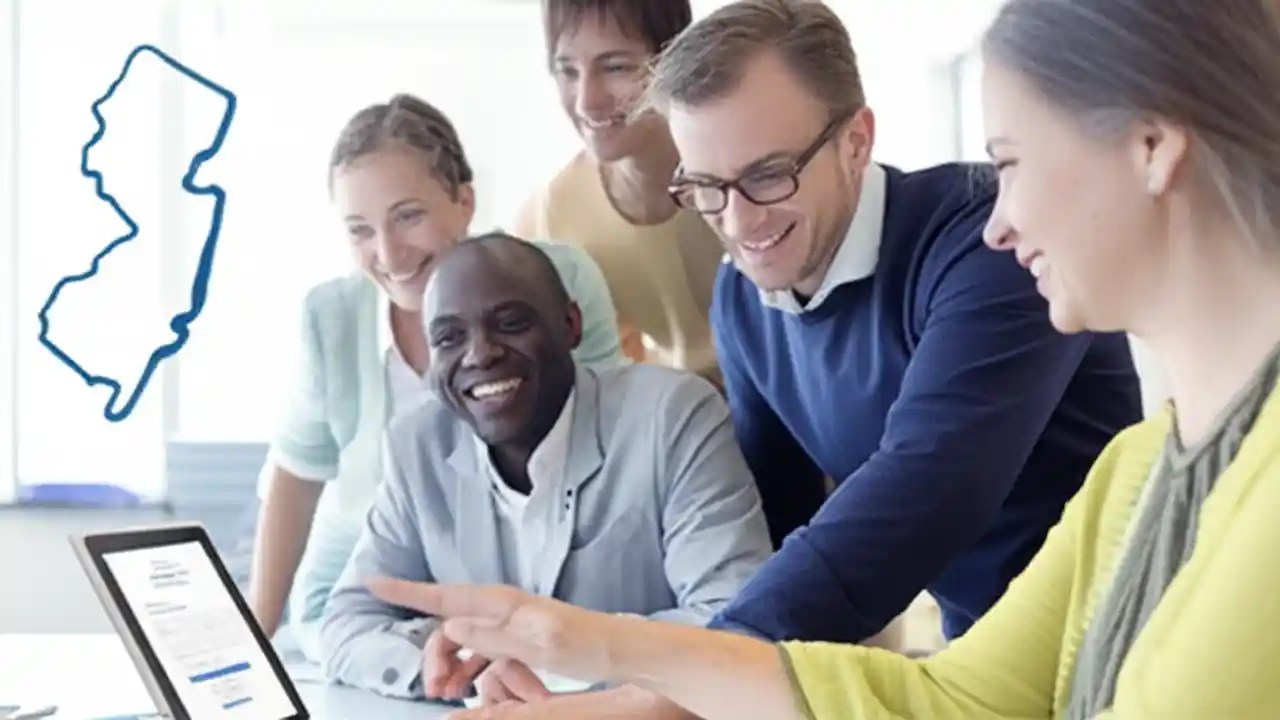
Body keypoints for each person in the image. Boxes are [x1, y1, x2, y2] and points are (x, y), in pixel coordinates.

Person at [368, 0, 1280, 716]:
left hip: (1051, 639)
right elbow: (770, 528)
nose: (738, 222)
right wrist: (601, 648)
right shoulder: (1135, 472)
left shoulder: (973, 249)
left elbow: (917, 497)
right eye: (707, 189)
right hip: (1002, 656)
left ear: (856, 141)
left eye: (767, 176)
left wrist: (652, 684)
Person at [247, 93, 628, 662]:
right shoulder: (329, 316)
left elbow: (609, 435)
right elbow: (295, 478)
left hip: (524, 588)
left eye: (408, 216)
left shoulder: (555, 279)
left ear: (463, 201)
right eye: (360, 230)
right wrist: (254, 638)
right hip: (363, 602)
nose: (388, 252)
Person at [319, 232, 772, 702]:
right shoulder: (417, 447)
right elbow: (347, 622)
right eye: (449, 337)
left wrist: (548, 667)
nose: (479, 354)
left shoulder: (671, 415)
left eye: (511, 322)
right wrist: (449, 669)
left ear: (571, 324)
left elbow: (733, 620)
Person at [514, 0, 725, 384]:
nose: (586, 101)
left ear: (678, 57)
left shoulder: (738, 165)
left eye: (615, 67)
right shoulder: (554, 216)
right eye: (567, 71)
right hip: (679, 420)